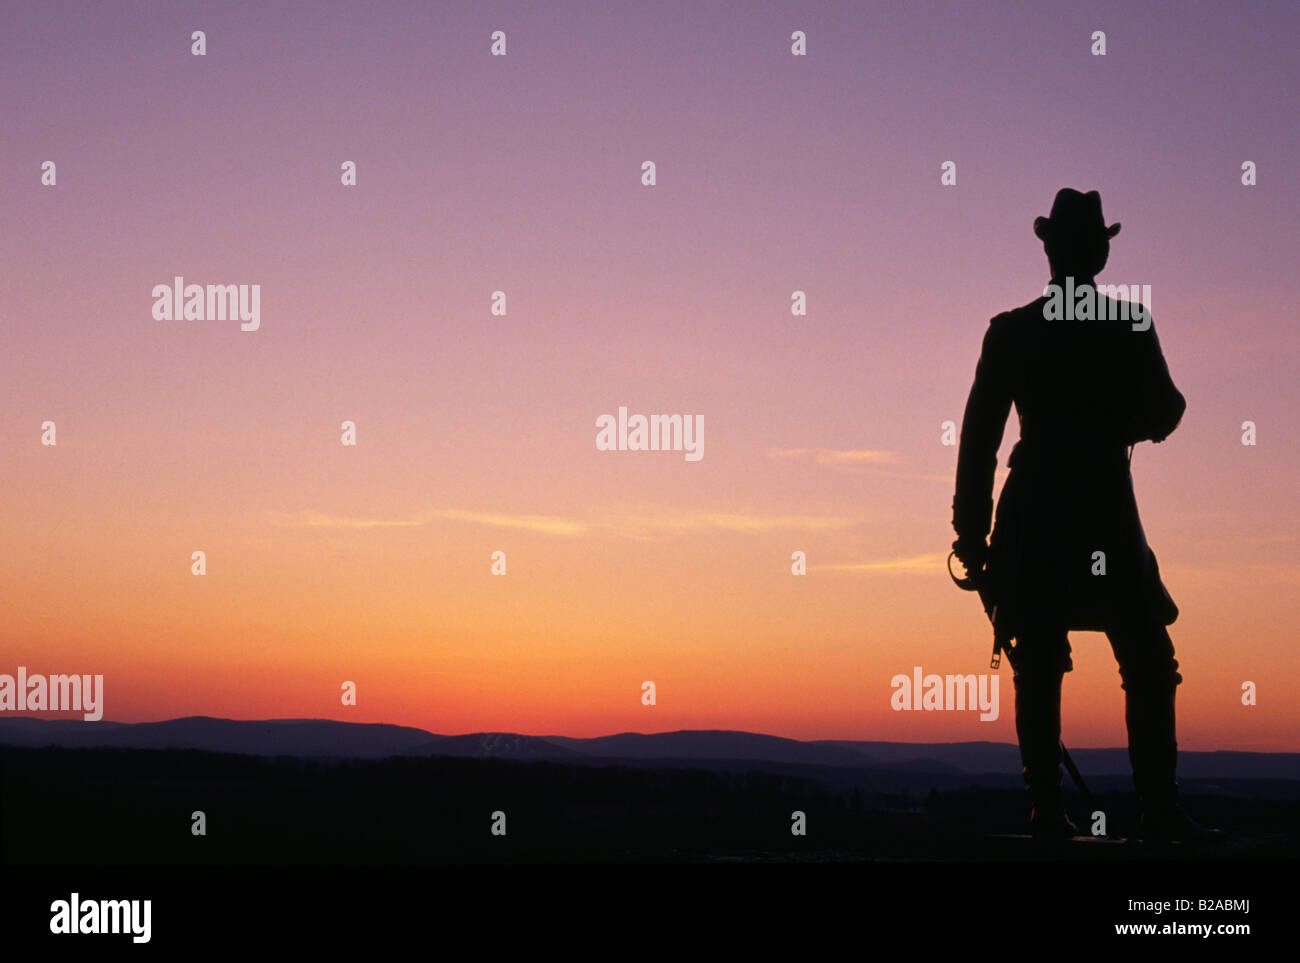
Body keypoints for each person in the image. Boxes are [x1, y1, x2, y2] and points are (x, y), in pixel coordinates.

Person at [951, 188, 1222, 841]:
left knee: (1046, 659)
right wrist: (1112, 423)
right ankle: (1154, 809)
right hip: (1101, 505)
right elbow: (1167, 412)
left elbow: (980, 441)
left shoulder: (1011, 331)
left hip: (1039, 510)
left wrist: (971, 531)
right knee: (1146, 658)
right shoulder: (1127, 324)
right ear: (1097, 251)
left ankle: (1049, 812)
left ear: (1051, 247)